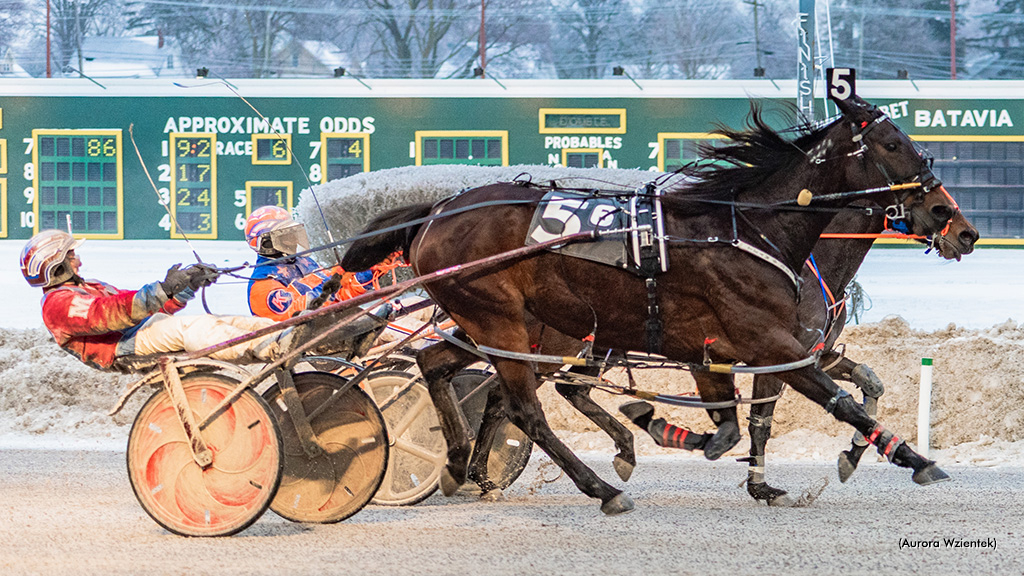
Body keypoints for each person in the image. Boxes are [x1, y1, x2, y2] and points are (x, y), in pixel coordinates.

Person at [21, 229, 296, 370]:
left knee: (225, 321)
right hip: (124, 346)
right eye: (70, 255)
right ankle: (271, 347)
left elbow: (150, 309)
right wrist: (163, 287)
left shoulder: (91, 286)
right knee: (194, 329)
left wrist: (187, 286)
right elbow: (111, 313)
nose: (77, 259)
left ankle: (289, 334)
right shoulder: (58, 303)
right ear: (55, 265)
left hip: (140, 331)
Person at [244, 206, 373, 321]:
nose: (294, 239)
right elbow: (296, 316)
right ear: (267, 243)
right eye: (286, 235)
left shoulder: (303, 262)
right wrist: (334, 282)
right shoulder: (262, 281)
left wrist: (366, 272)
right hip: (301, 343)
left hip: (330, 329)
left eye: (293, 232)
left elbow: (337, 296)